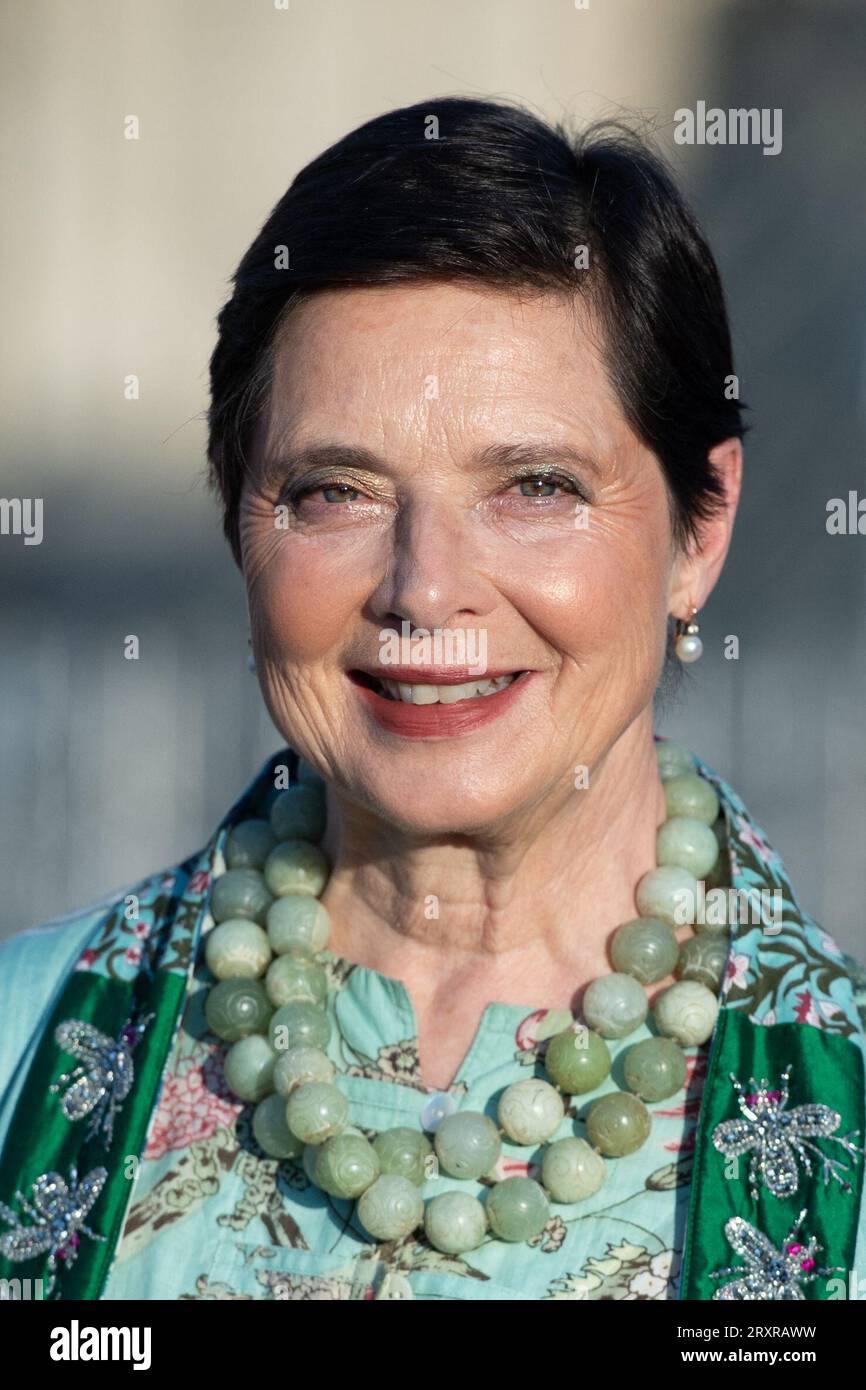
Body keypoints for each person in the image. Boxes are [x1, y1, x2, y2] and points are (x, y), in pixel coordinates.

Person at [1, 97, 864, 1303]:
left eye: (534, 485)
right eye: (333, 493)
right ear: (233, 513)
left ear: (698, 527)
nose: (423, 588)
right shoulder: (19, 1047)